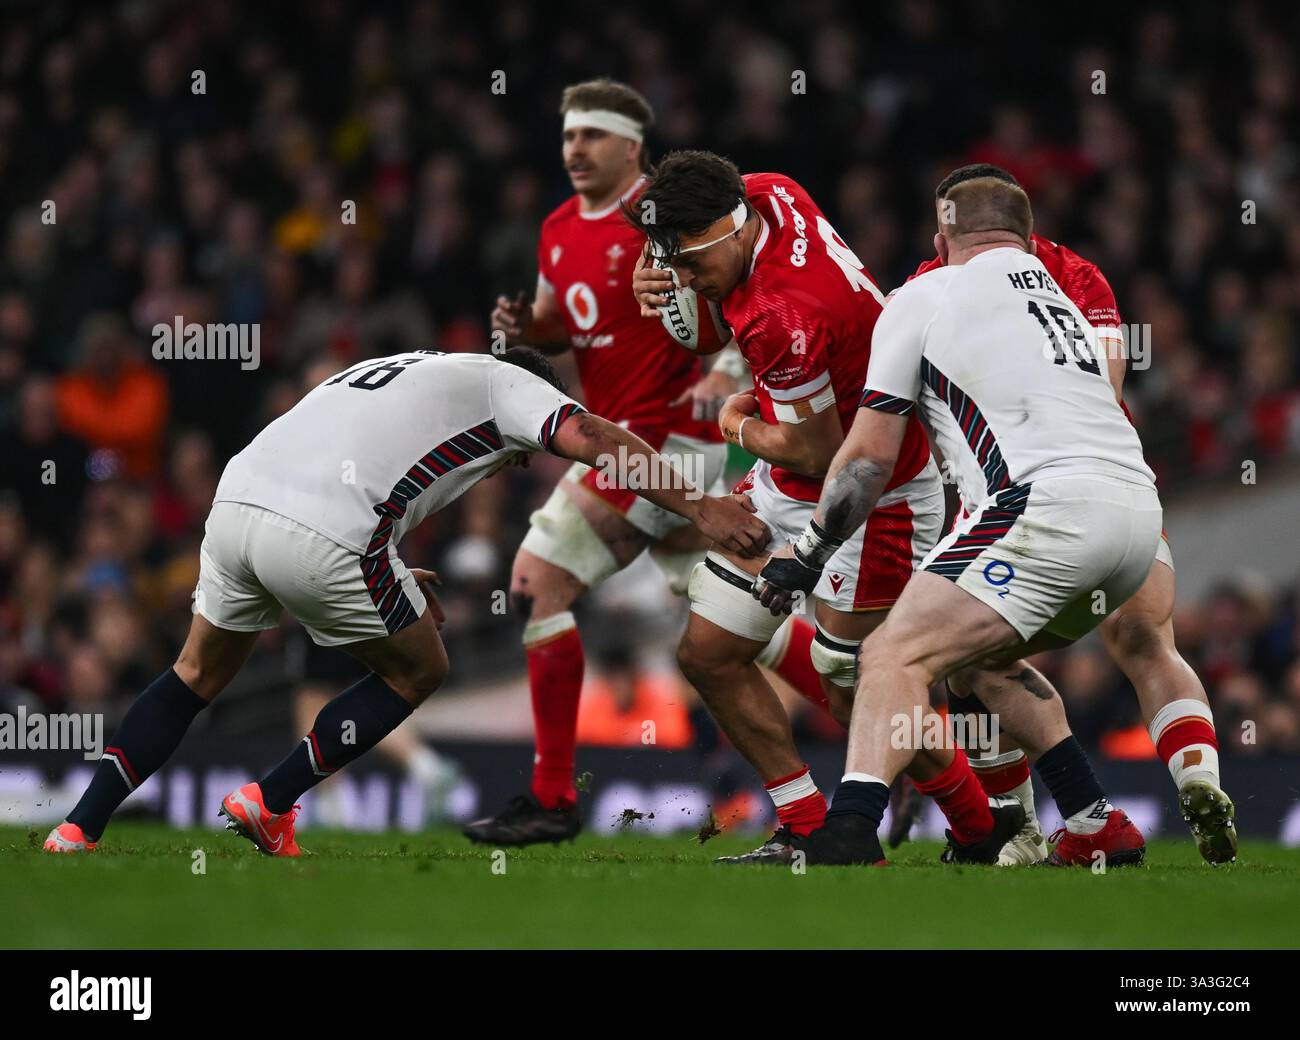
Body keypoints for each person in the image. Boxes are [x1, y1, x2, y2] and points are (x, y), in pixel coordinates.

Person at [45, 348, 768, 855]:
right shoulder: (510, 386)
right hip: (327, 533)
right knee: (420, 667)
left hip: (238, 500)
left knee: (195, 674)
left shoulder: (403, 370)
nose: (509, 469)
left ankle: (77, 828)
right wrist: (700, 505)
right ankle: (270, 801)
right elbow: (596, 437)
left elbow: (355, 464)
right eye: (517, 459)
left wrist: (384, 568)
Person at [750, 175, 1162, 867]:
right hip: (1137, 521)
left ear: (940, 242)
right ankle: (1095, 823)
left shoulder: (926, 294)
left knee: (890, 654)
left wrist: (810, 551)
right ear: (1028, 240)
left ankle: (848, 830)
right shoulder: (1064, 299)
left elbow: (866, 460)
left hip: (1042, 509)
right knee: (979, 662)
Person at [629, 151, 1025, 865]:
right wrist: (652, 274)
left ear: (727, 230)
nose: (685, 279)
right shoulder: (771, 191)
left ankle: (977, 828)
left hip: (873, 497)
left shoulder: (787, 315)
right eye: (675, 263)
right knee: (710, 653)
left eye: (688, 263)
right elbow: (705, 301)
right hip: (798, 481)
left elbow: (815, 451)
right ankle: (806, 822)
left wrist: (733, 425)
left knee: (859, 695)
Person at [464, 81, 825, 849]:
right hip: (627, 442)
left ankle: (554, 797)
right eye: (568, 136)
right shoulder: (559, 229)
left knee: (540, 578)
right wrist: (526, 325)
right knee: (745, 625)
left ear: (633, 147)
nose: (576, 149)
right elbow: (565, 325)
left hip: (663, 442)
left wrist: (727, 373)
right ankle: (907, 751)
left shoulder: (661, 219)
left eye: (593, 135)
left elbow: (730, 290)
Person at [908, 164, 1236, 866]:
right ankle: (1200, 779)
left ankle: (1018, 825)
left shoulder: (930, 284)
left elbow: (900, 405)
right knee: (1148, 641)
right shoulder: (1077, 275)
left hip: (1018, 498)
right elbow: (1109, 380)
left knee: (968, 662)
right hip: (1120, 486)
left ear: (952, 226)